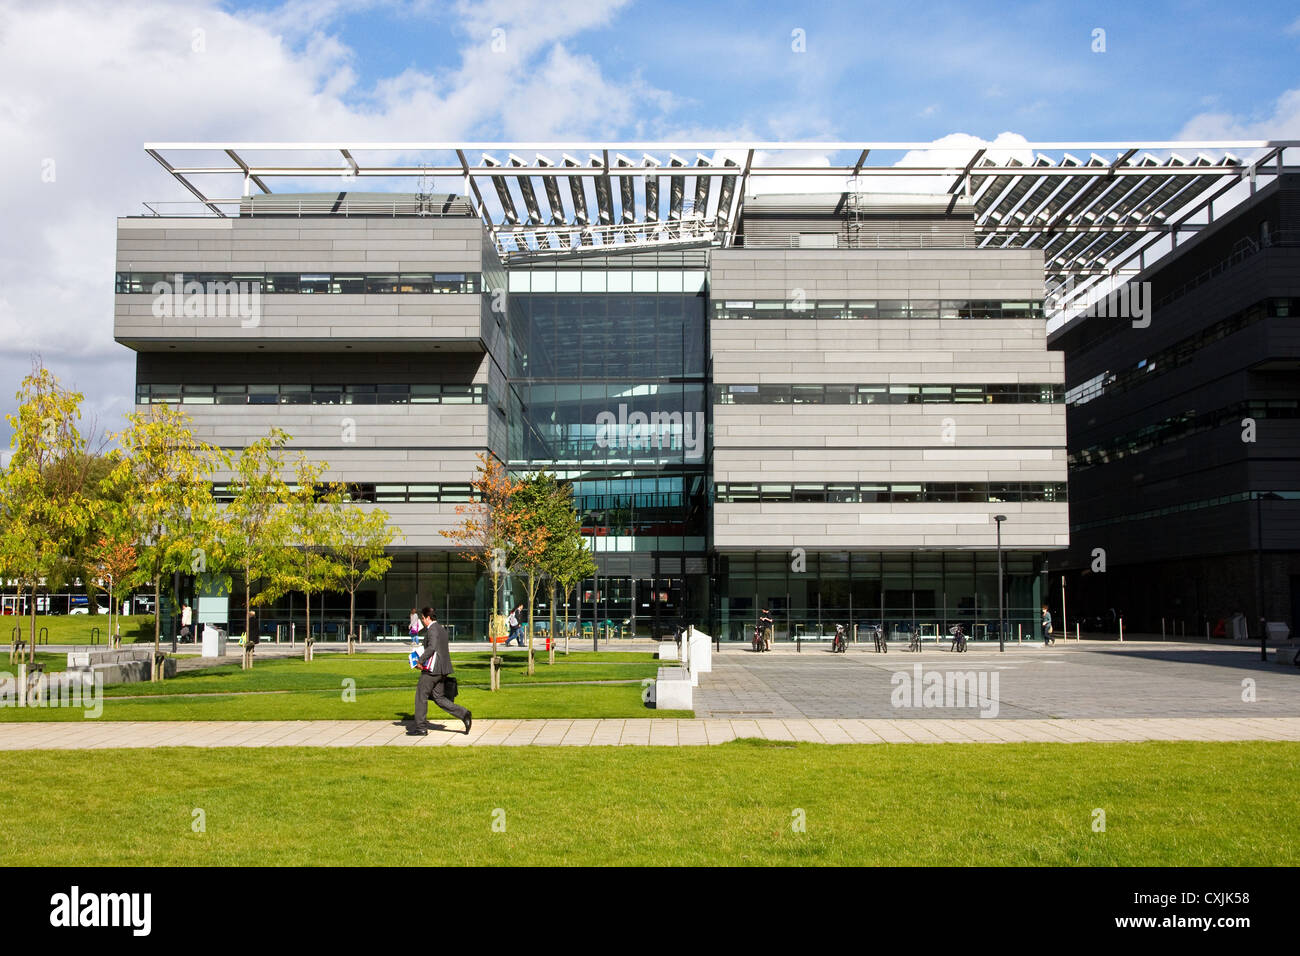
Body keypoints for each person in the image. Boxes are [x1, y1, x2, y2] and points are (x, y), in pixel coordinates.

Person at [410, 606, 471, 736]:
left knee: (421, 695)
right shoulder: (441, 629)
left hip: (433, 670)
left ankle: (421, 727)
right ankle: (464, 713)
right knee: (439, 698)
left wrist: (419, 661)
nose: (422, 620)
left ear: (428, 617)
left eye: (423, 618)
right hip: (443, 669)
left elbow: (432, 647)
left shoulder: (432, 629)